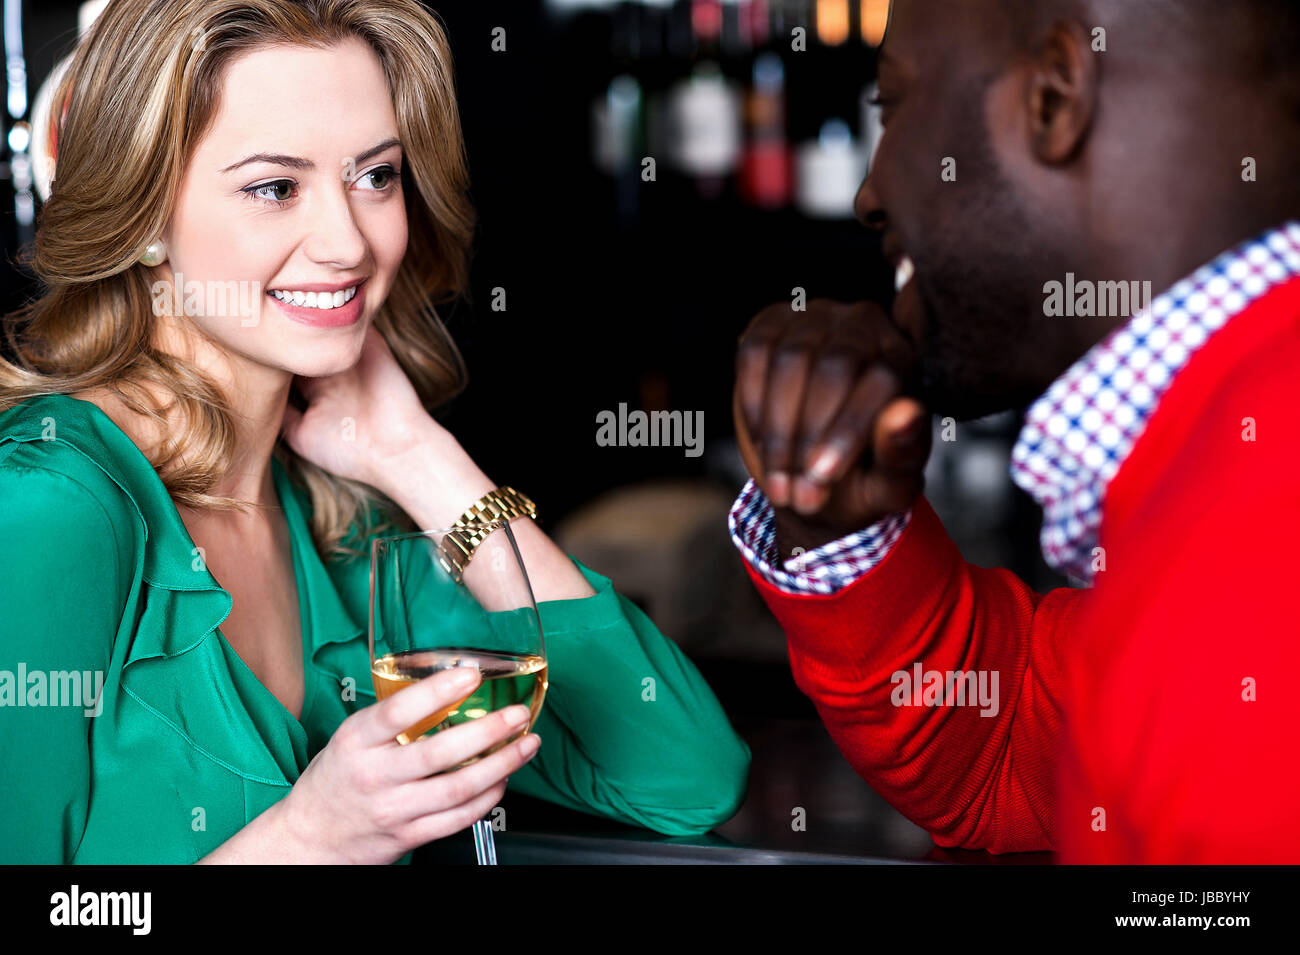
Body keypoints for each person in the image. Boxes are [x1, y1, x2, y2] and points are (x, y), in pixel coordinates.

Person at [0, 0, 749, 864]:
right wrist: (310, 838)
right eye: (274, 187)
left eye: (376, 176)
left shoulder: (343, 515)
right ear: (144, 220)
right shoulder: (51, 506)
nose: (348, 242)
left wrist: (418, 455)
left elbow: (685, 774)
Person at [729, 0, 1299, 863]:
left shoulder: (1264, 526)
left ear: (1054, 98)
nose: (868, 193)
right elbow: (1008, 761)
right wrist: (843, 524)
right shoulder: (1221, 456)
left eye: (895, 105)